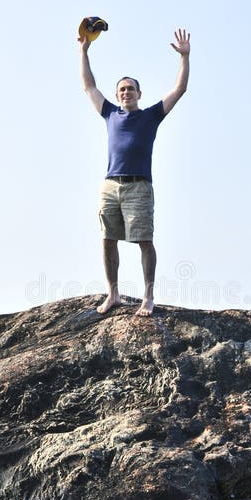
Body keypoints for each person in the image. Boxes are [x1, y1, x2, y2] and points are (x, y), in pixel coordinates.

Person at [79, 28, 190, 316]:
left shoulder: (151, 115)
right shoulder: (110, 113)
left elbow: (179, 90)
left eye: (130, 89)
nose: (126, 92)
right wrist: (83, 52)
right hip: (110, 186)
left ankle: (148, 297)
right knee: (107, 239)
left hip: (139, 187)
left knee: (144, 241)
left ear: (139, 93)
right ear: (118, 95)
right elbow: (89, 87)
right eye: (122, 89)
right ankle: (113, 293)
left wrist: (184, 57)